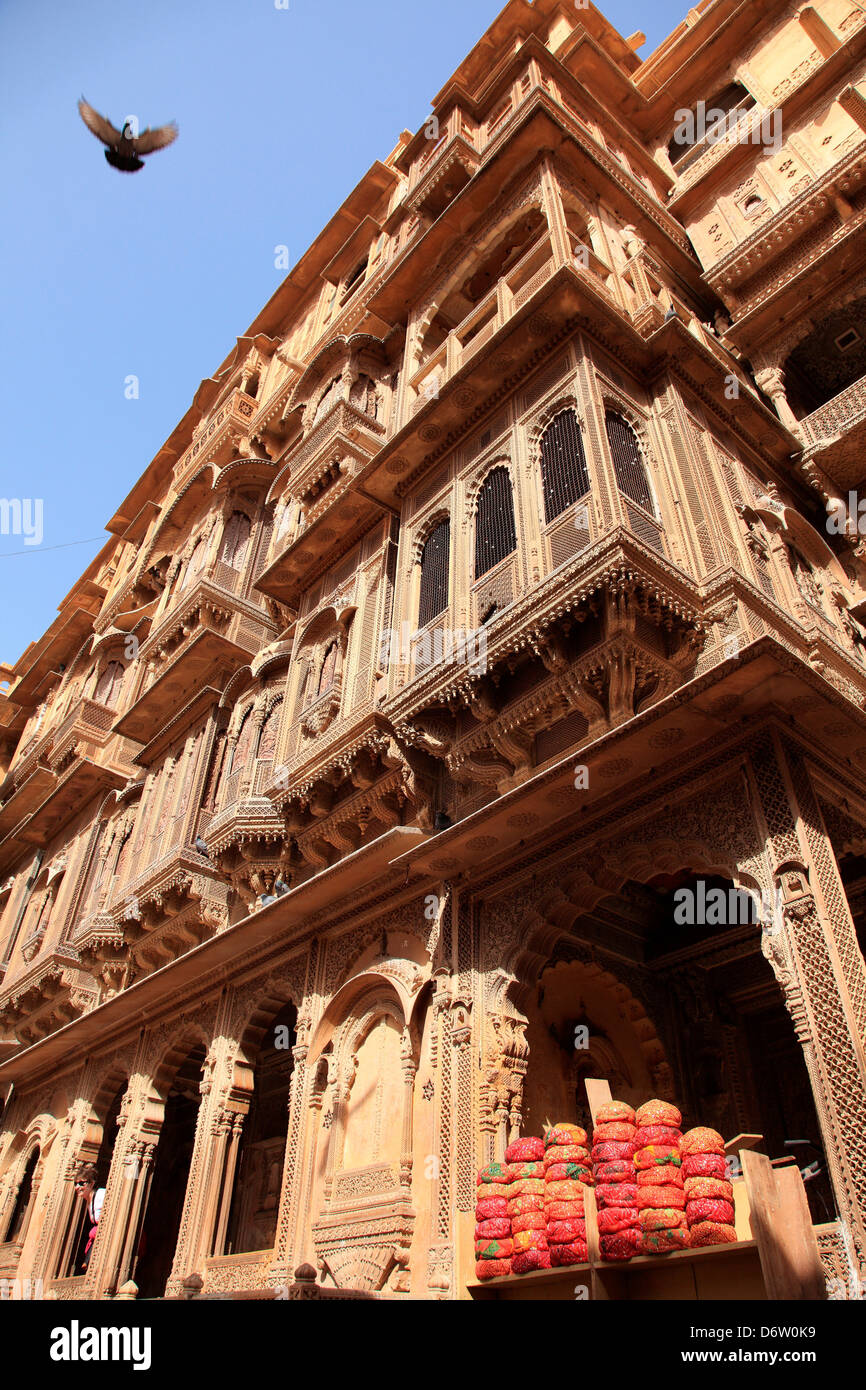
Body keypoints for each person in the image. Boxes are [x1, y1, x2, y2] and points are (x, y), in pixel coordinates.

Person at [74, 1164, 106, 1273]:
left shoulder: (102, 1194)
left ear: (91, 1183)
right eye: (76, 1184)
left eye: (82, 1183)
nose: (77, 1187)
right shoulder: (89, 1201)